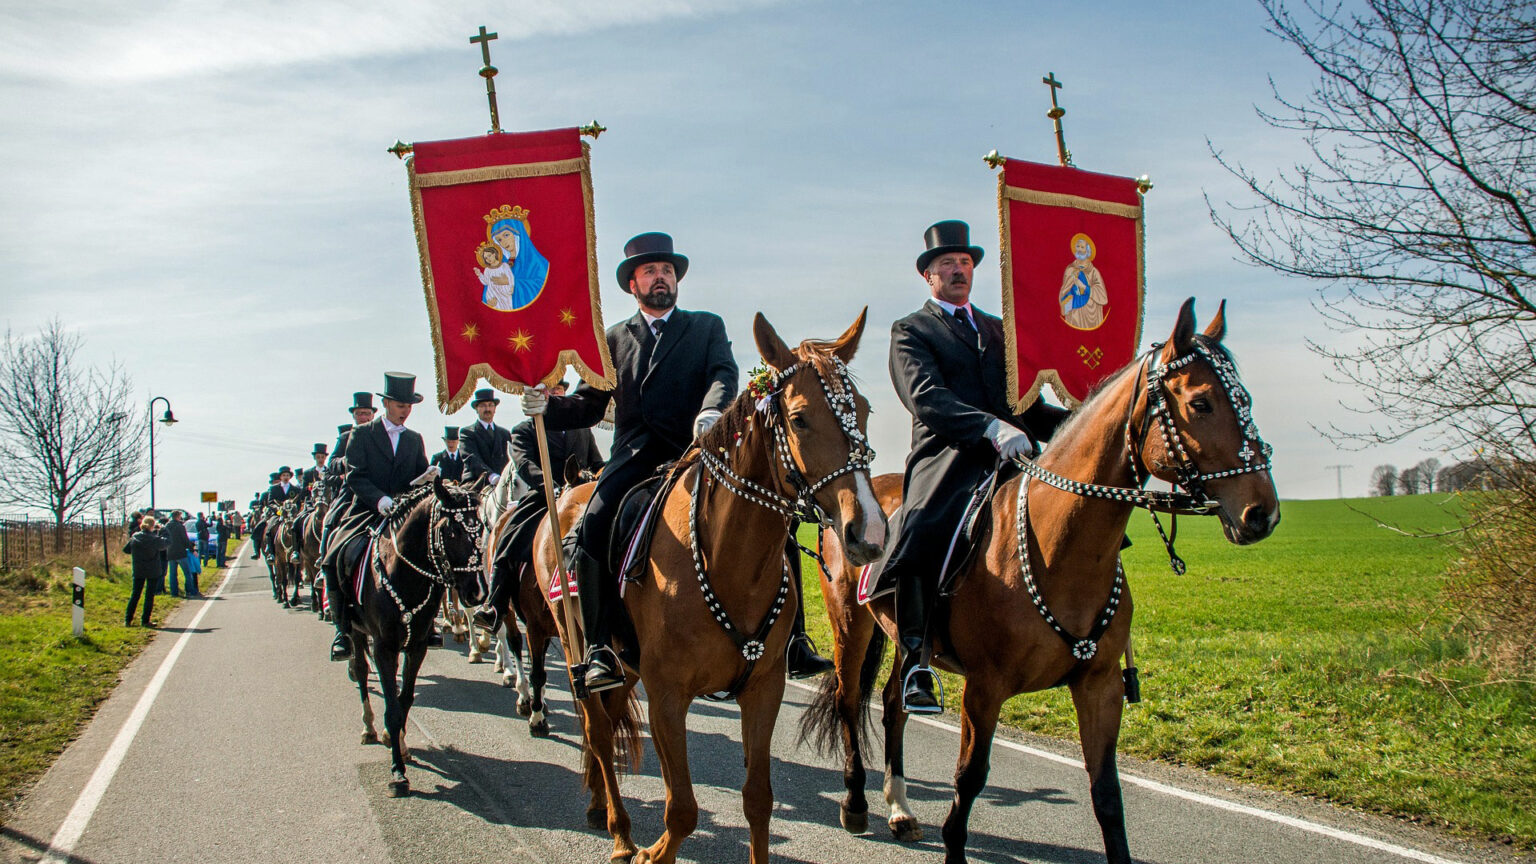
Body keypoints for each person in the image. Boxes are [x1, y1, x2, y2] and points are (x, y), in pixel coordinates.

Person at [525, 230, 833, 692]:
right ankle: (600, 648)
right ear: (633, 284)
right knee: (593, 524)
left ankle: (795, 641)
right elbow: (589, 405)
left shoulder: (706, 327)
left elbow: (723, 374)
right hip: (635, 455)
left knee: (774, 515)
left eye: (667, 270)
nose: (661, 277)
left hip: (699, 448)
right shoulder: (612, 339)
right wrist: (547, 407)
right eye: (650, 271)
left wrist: (712, 411)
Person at [880, 220, 1068, 714]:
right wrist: (989, 427)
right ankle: (916, 660)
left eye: (964, 262)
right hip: (949, 454)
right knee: (921, 528)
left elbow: (1029, 408)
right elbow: (926, 398)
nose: (958, 270)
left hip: (1016, 454)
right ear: (928, 275)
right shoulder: (911, 330)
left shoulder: (1001, 330)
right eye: (947, 263)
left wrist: (1084, 421)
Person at [472, 380, 603, 632]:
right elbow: (523, 464)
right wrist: (550, 486)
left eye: (559, 389)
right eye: (550, 390)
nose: (555, 393)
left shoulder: (582, 429)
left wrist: (602, 475)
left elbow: (596, 462)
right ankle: (495, 605)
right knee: (508, 536)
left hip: (581, 494)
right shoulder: (524, 429)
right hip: (545, 496)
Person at [320, 373, 433, 660]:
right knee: (334, 557)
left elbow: (418, 474)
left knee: (432, 553)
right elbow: (355, 476)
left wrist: (429, 477)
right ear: (385, 404)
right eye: (400, 406)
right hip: (367, 510)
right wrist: (380, 499)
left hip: (403, 512)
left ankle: (428, 623)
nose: (405, 412)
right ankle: (342, 629)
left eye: (409, 407)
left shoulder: (414, 439)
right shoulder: (361, 434)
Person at [460, 389, 513, 486]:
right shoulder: (467, 433)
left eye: (490, 405)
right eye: (483, 405)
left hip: (502, 482)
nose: (487, 409)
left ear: (495, 409)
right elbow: (471, 458)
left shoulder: (505, 434)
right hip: (476, 481)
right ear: (476, 409)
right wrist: (490, 476)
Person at [124, 514, 169, 626]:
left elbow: (126, 550)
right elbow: (166, 544)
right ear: (152, 526)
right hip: (152, 569)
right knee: (149, 595)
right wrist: (163, 530)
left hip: (138, 568)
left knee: (135, 594)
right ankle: (145, 620)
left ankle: (128, 619)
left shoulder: (135, 537)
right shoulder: (154, 539)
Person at [165, 510, 196, 598]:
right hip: (180, 552)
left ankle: (174, 592)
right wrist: (192, 549)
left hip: (170, 552)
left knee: (173, 574)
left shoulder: (167, 526)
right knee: (187, 573)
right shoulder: (180, 526)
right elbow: (185, 539)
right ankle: (189, 591)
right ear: (178, 516)